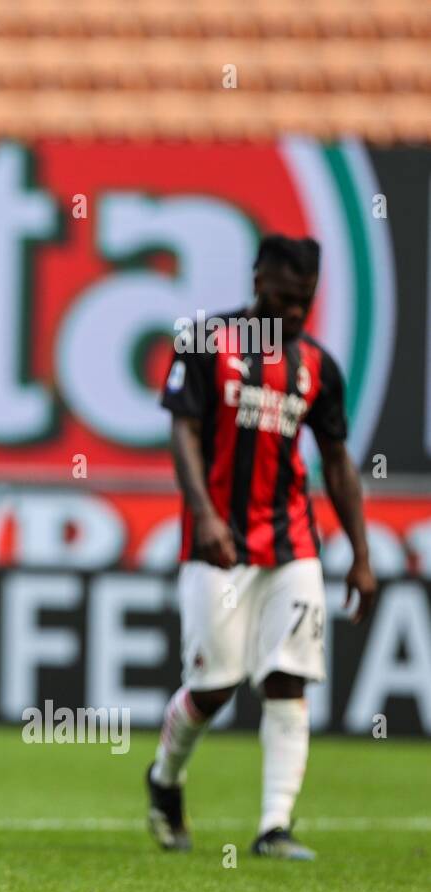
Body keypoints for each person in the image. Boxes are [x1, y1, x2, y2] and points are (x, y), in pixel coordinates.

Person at [151, 234, 377, 859]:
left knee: (289, 678)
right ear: (256, 282)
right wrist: (206, 516)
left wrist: (360, 555)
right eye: (282, 299)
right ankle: (164, 780)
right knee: (215, 688)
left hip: (291, 543)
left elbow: (336, 460)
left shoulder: (318, 367)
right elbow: (184, 432)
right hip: (214, 544)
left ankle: (273, 827)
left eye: (304, 303)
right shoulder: (205, 342)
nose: (292, 314)